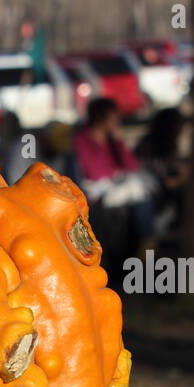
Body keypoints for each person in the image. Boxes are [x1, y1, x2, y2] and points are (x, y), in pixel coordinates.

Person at [74, 98, 153, 284]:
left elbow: (131, 165)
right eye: (113, 118)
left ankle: (144, 238)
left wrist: (118, 142)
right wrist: (116, 174)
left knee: (138, 185)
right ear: (101, 118)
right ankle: (148, 237)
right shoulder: (82, 141)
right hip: (96, 191)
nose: (116, 122)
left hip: (115, 187)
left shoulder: (111, 142)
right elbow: (92, 172)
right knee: (137, 188)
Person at [134, 107, 194, 232]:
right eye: (178, 125)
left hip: (169, 193)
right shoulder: (150, 147)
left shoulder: (167, 146)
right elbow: (164, 182)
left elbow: (171, 171)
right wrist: (185, 175)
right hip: (158, 199)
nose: (181, 130)